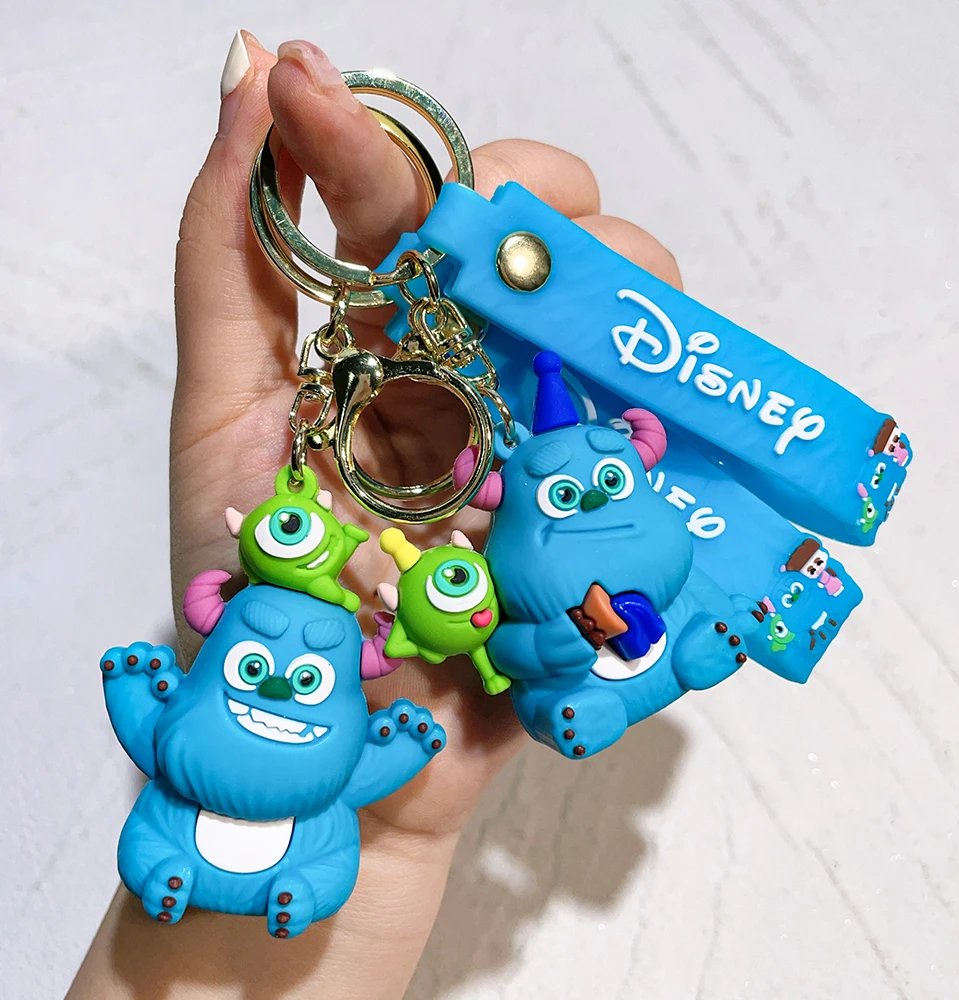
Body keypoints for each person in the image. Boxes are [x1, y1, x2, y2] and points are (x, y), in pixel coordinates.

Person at [67, 31, 682, 999]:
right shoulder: (314, 699)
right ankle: (220, 876)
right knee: (256, 851)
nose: (278, 684)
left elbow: (320, 753)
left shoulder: (490, 572)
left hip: (570, 644)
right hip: (297, 825)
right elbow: (298, 755)